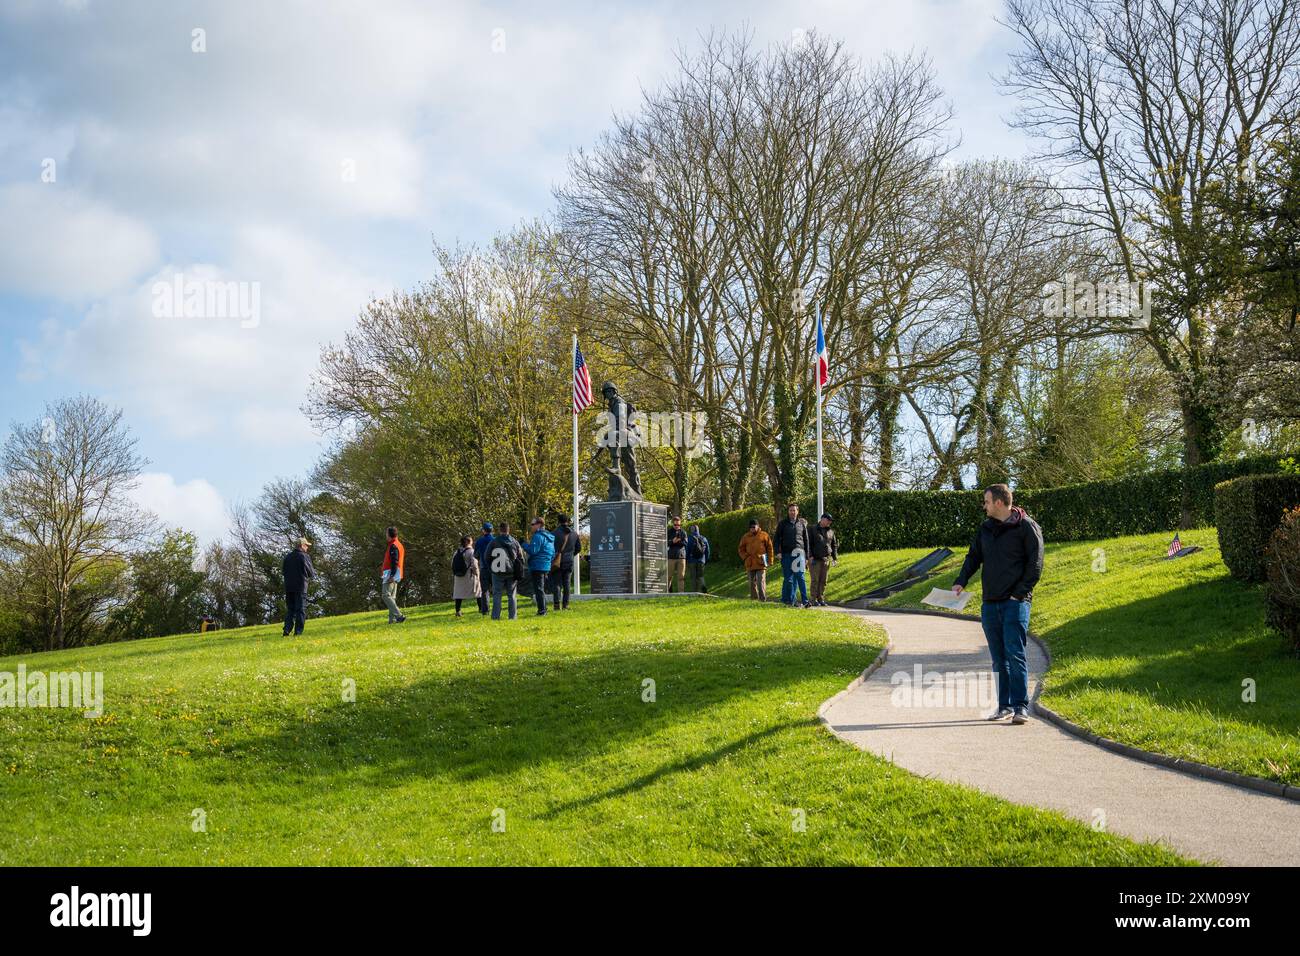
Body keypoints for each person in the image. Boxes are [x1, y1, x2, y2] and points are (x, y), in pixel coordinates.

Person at [952, 483, 1045, 726]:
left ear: (1000, 502)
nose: (984, 506)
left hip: (1016, 603)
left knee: (1015, 655)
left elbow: (1035, 565)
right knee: (998, 658)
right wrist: (961, 581)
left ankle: (1020, 707)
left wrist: (1018, 595)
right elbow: (973, 556)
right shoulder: (986, 529)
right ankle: (1004, 706)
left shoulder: (1026, 527)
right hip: (990, 604)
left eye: (987, 501)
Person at [773, 503, 811, 608]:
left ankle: (805, 601)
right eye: (790, 510)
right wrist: (777, 552)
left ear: (797, 512)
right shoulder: (782, 524)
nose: (792, 512)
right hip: (786, 554)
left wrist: (807, 557)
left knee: (800, 577)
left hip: (799, 554)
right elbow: (776, 539)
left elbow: (806, 541)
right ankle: (788, 600)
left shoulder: (801, 524)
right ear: (788, 512)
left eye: (794, 510)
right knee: (788, 579)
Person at [485, 522, 525, 620]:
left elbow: (486, 557)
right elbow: (521, 557)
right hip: (511, 572)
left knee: (497, 595)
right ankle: (512, 616)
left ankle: (495, 616)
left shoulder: (493, 542)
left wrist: (492, 567)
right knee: (512, 595)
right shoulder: (514, 542)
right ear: (508, 530)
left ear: (500, 530)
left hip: (497, 571)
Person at [281, 537, 315, 636]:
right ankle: (298, 632)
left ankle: (286, 630)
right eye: (307, 546)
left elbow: (283, 572)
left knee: (290, 609)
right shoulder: (304, 556)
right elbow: (310, 573)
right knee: (300, 609)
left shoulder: (287, 557)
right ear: (302, 545)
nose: (307, 548)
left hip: (289, 587)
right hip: (300, 587)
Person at [522, 517, 555, 616]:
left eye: (532, 524)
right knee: (541, 588)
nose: (531, 526)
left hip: (537, 565)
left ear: (539, 525)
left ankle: (542, 611)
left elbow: (533, 550)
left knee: (538, 589)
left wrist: (523, 544)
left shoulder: (538, 536)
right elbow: (553, 553)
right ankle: (544, 608)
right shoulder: (549, 537)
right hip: (546, 565)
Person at [738, 519, 775, 601]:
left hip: (761, 562)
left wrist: (770, 560)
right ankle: (754, 600)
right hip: (750, 563)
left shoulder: (764, 535)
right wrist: (745, 557)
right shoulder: (745, 537)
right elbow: (741, 549)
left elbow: (770, 548)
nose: (752, 528)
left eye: (754, 527)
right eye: (750, 527)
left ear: (758, 526)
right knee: (751, 582)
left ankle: (762, 600)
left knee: (760, 581)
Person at [809, 512, 839, 606]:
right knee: (815, 580)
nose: (830, 522)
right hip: (815, 559)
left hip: (826, 559)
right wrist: (810, 556)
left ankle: (821, 599)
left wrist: (834, 558)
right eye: (828, 520)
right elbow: (808, 543)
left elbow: (834, 545)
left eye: (830, 521)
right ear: (822, 519)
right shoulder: (812, 529)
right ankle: (813, 600)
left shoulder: (831, 531)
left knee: (823, 581)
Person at [549, 515, 578, 611]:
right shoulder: (574, 534)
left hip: (557, 562)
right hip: (569, 561)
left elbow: (549, 548)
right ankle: (565, 605)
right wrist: (571, 555)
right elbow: (579, 548)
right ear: (568, 521)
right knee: (567, 584)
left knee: (557, 584)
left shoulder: (553, 533)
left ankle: (556, 605)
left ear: (558, 521)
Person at [380, 526, 407, 624]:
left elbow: (394, 561)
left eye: (386, 533)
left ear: (390, 535)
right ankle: (392, 620)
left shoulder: (393, 545)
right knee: (392, 596)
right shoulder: (398, 544)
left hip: (391, 573)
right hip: (396, 572)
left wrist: (392, 575)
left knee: (385, 595)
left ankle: (399, 616)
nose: (385, 535)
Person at [450, 535, 480, 618]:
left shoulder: (457, 552)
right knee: (478, 592)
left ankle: (458, 611)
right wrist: (477, 574)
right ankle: (481, 609)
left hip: (458, 576)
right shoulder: (472, 552)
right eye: (471, 540)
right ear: (468, 542)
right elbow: (474, 564)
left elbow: (452, 564)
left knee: (458, 594)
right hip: (469, 575)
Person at [472, 522, 495, 615]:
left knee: (485, 590)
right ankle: (497, 608)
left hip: (484, 568)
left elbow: (476, 555)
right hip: (495, 568)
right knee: (496, 589)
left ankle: (485, 610)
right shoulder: (495, 540)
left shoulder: (479, 541)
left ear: (483, 530)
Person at [685, 523, 711, 593]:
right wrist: (706, 560)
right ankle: (703, 588)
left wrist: (686, 560)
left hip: (692, 561)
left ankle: (694, 592)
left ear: (691, 530)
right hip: (701, 561)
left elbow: (687, 550)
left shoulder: (689, 538)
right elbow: (707, 551)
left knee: (693, 577)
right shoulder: (704, 538)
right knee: (700, 576)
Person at [666, 516, 688, 592]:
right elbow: (665, 543)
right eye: (675, 525)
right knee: (669, 576)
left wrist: (678, 541)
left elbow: (685, 543)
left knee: (681, 577)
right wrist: (672, 541)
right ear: (673, 524)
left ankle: (681, 593)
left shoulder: (683, 532)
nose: (677, 526)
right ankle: (667, 593)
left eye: (678, 525)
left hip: (681, 557)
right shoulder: (669, 532)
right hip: (671, 557)